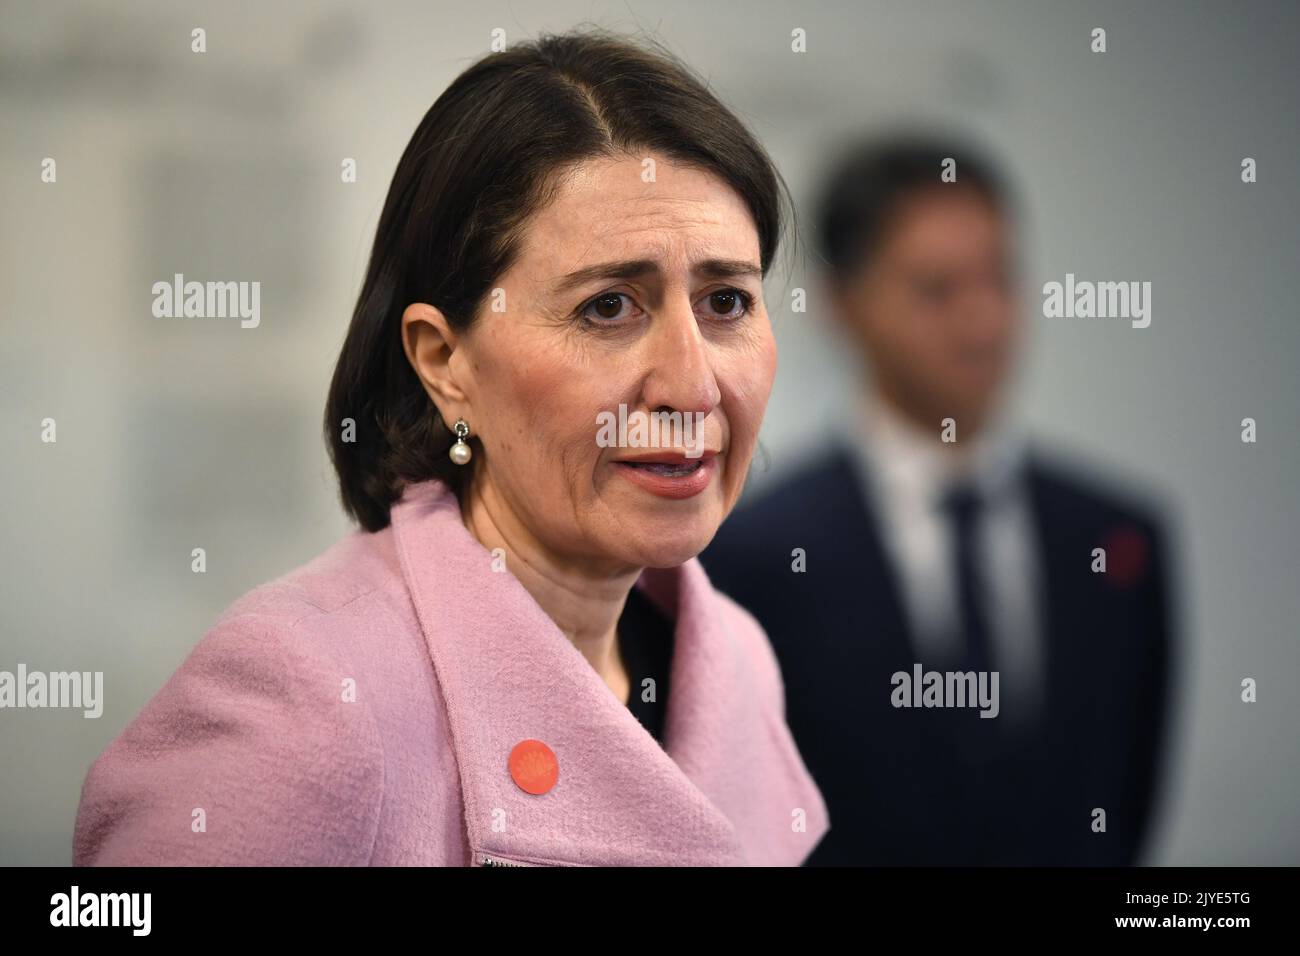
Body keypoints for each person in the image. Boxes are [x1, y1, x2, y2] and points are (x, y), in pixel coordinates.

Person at [72, 30, 828, 867]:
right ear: (445, 362)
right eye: (609, 308)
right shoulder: (310, 689)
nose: (692, 388)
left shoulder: (732, 661)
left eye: (727, 300)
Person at [701, 135, 1176, 865]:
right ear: (844, 305)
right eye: (937, 289)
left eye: (999, 279)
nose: (983, 323)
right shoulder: (756, 554)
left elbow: (1128, 797)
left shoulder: (1115, 539)